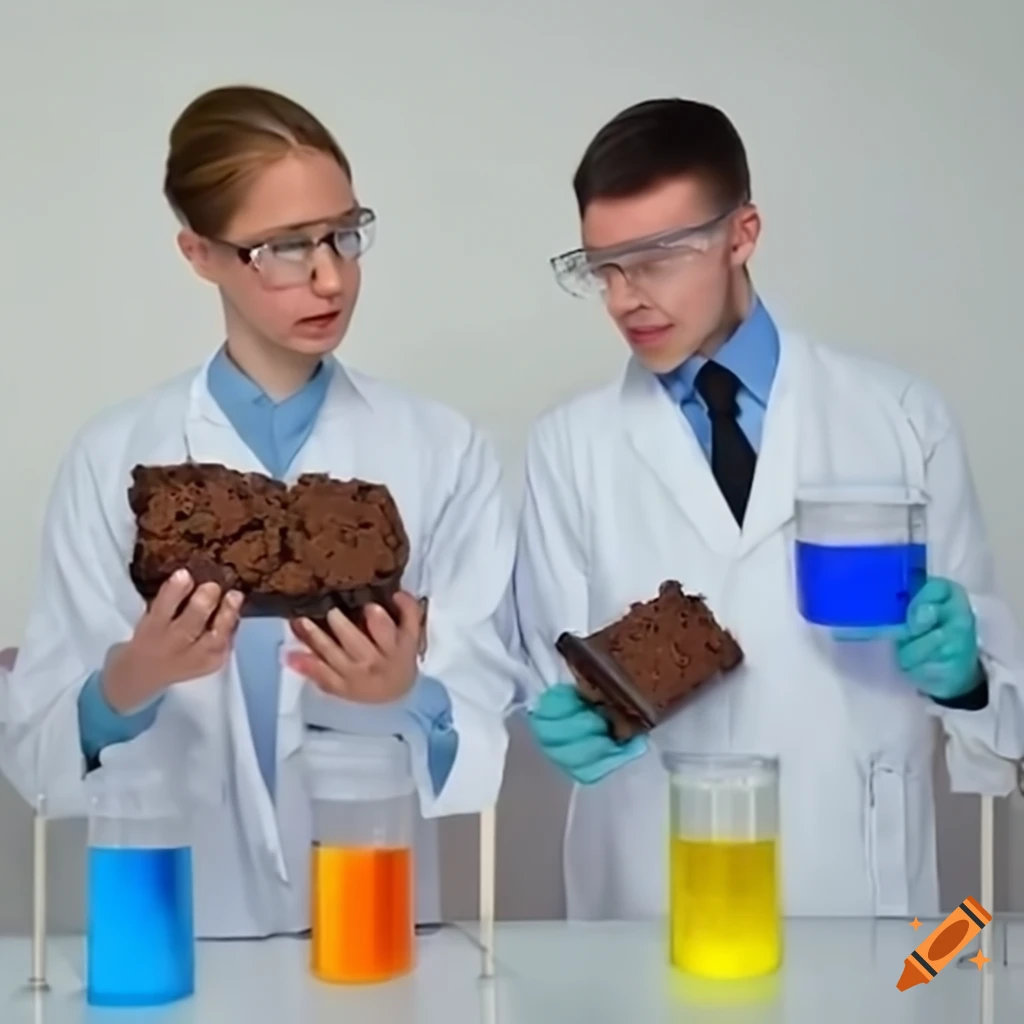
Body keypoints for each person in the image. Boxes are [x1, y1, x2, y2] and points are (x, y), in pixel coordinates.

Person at [5, 85, 526, 938]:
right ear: (200, 254)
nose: (330, 276)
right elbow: (39, 754)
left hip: (374, 916)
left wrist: (407, 695)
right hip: (171, 926)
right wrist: (131, 681)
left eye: (343, 234)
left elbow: (479, 723)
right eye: (282, 250)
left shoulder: (442, 450)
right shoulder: (113, 458)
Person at [514, 97, 1024, 920]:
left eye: (657, 258)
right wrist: (561, 715)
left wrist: (965, 678)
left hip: (853, 880)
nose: (625, 298)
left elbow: (991, 673)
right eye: (603, 267)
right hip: (652, 884)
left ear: (742, 234)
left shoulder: (899, 417)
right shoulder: (570, 445)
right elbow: (547, 663)